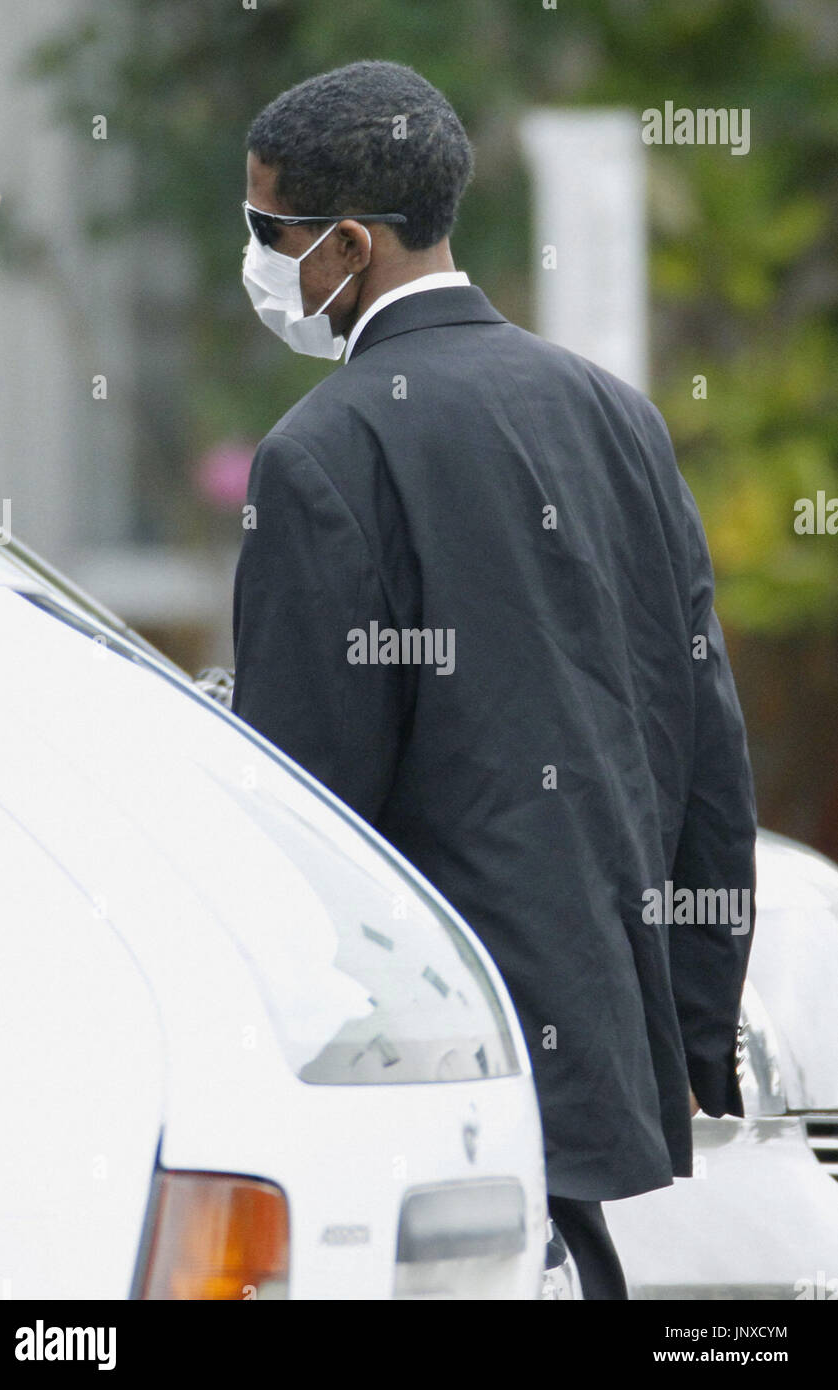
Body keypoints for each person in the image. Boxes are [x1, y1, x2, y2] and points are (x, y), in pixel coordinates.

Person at [231, 60, 757, 1300]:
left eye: (267, 231)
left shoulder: (323, 451)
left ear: (346, 243)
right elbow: (709, 751)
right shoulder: (616, 414)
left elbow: (313, 817)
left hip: (431, 1082)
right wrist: (688, 1028)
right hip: (594, 1053)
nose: (254, 260)